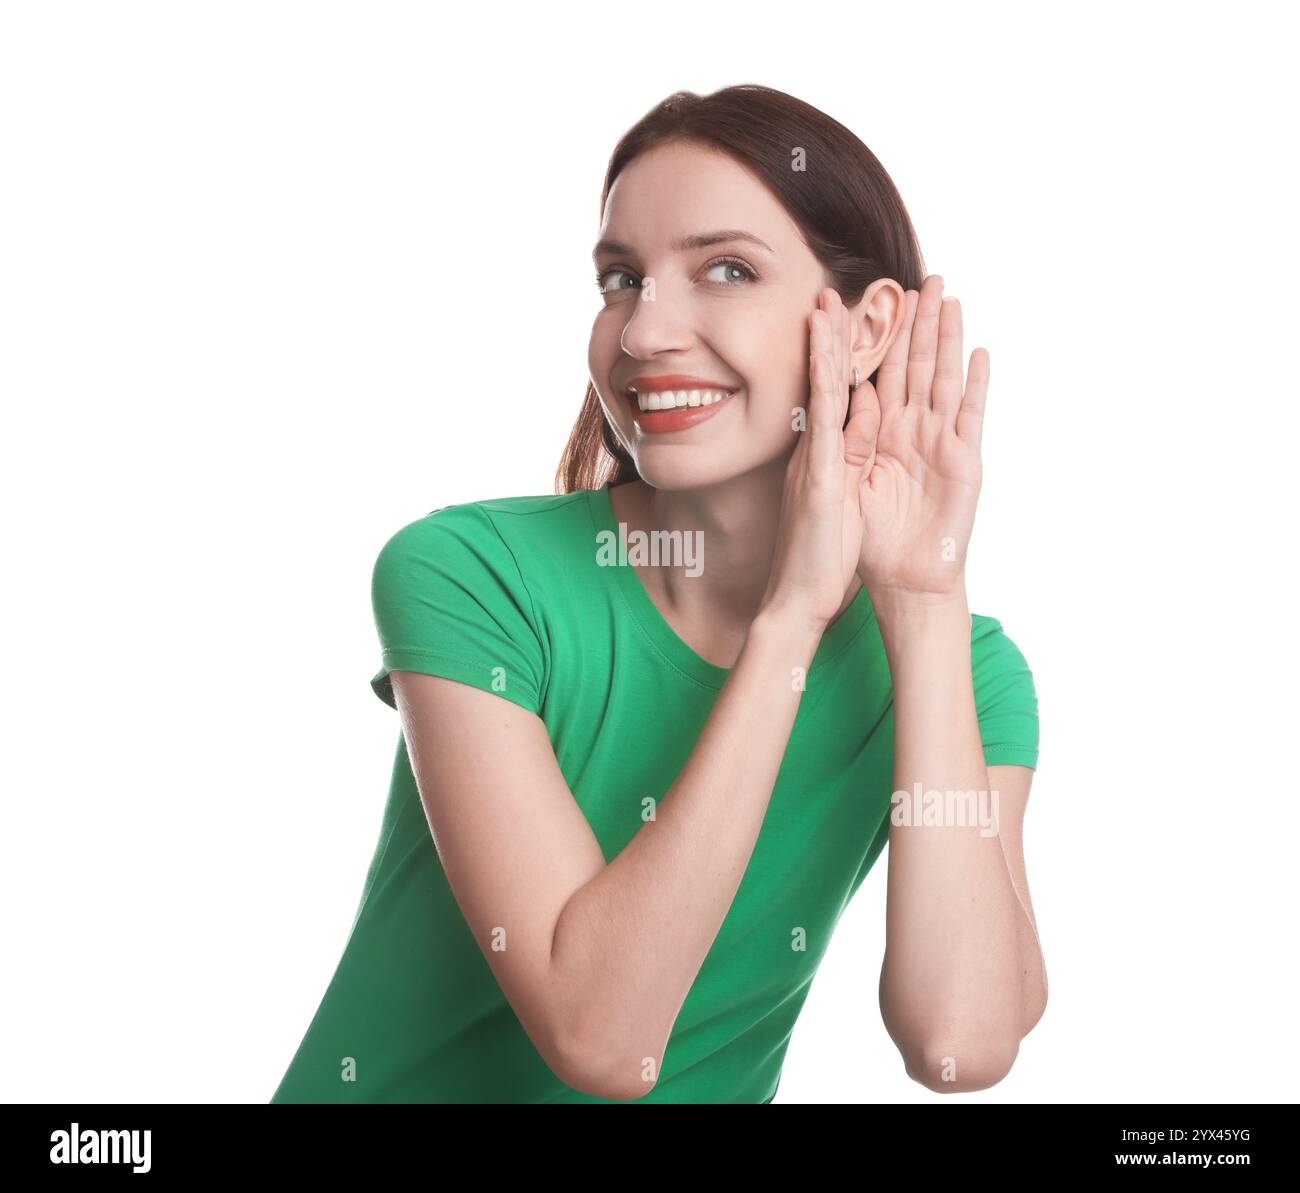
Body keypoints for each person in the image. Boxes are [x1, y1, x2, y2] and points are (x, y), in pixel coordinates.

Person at [270, 84, 1045, 1105]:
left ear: (867, 329)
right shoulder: (469, 575)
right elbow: (601, 1037)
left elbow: (960, 1040)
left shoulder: (960, 670)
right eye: (620, 279)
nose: (642, 331)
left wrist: (924, 600)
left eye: (727, 269)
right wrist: (790, 618)